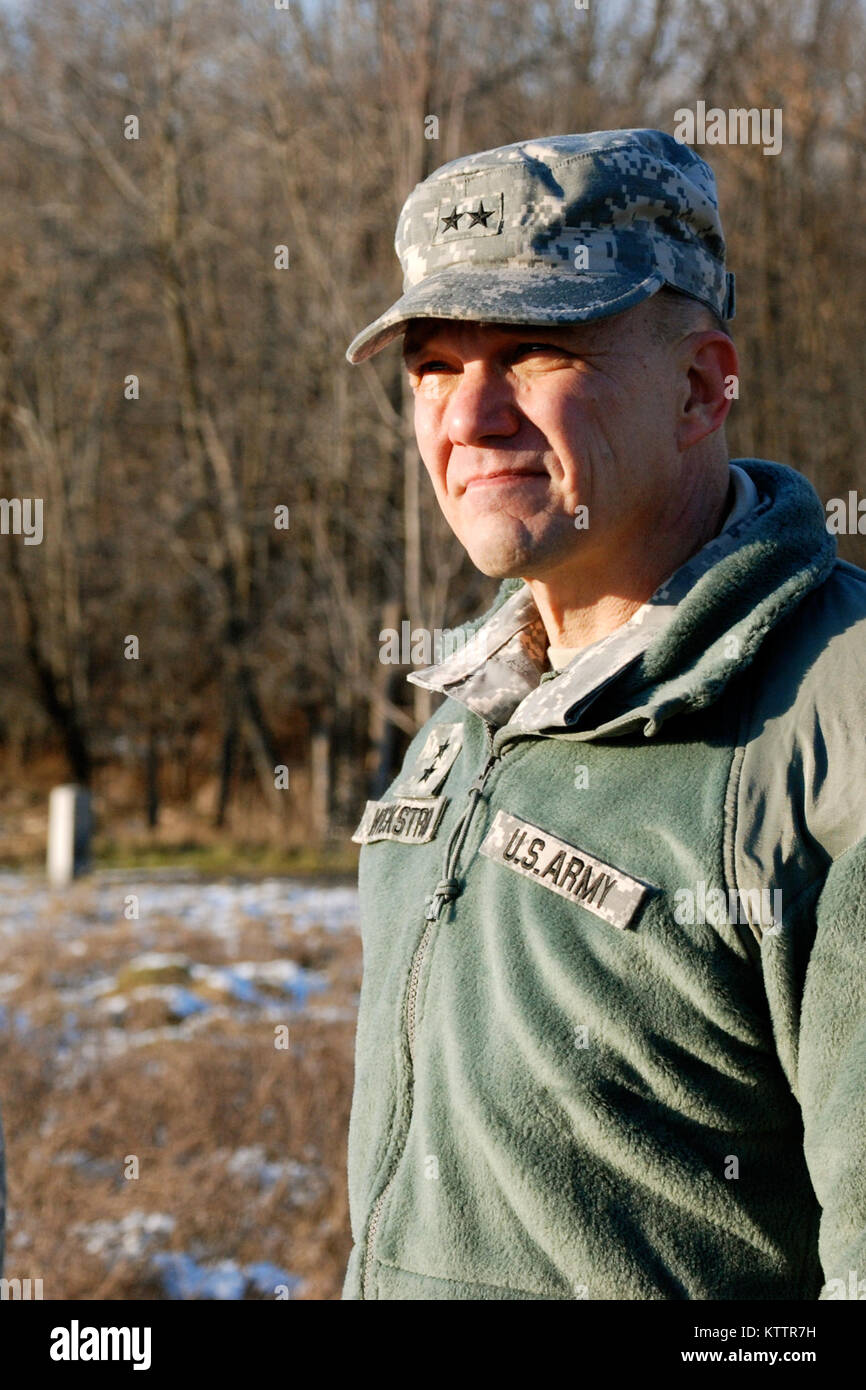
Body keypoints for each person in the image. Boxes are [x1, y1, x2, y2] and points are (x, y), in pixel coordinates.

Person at [341, 128, 866, 1300]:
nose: (465, 419)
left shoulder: (838, 731)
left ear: (697, 384)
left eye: (531, 353)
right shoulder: (464, 718)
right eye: (431, 366)